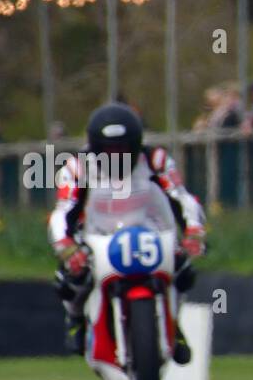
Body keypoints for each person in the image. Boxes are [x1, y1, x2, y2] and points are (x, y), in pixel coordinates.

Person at [47, 103, 208, 361]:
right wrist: (65, 245)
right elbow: (63, 211)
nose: (116, 156)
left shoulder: (156, 160)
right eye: (109, 150)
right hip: (95, 235)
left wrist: (194, 231)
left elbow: (182, 198)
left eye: (122, 148)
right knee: (71, 277)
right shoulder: (76, 168)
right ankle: (75, 318)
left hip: (148, 233)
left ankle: (173, 321)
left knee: (182, 267)